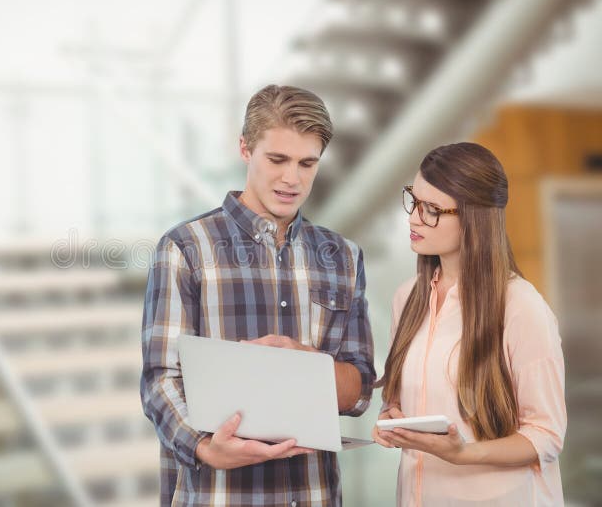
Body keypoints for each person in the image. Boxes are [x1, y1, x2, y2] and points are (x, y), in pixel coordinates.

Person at [140, 84, 375, 506]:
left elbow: (359, 389)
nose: (292, 178)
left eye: (308, 163)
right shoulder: (185, 248)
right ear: (245, 149)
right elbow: (160, 379)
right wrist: (206, 447)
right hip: (220, 495)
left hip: (313, 494)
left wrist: (308, 363)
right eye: (277, 159)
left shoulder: (343, 257)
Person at [372, 142, 566, 506]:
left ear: (475, 218)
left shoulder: (521, 307)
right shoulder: (408, 298)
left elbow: (546, 435)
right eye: (414, 201)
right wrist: (393, 418)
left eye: (432, 210)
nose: (414, 218)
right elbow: (400, 400)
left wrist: (461, 453)